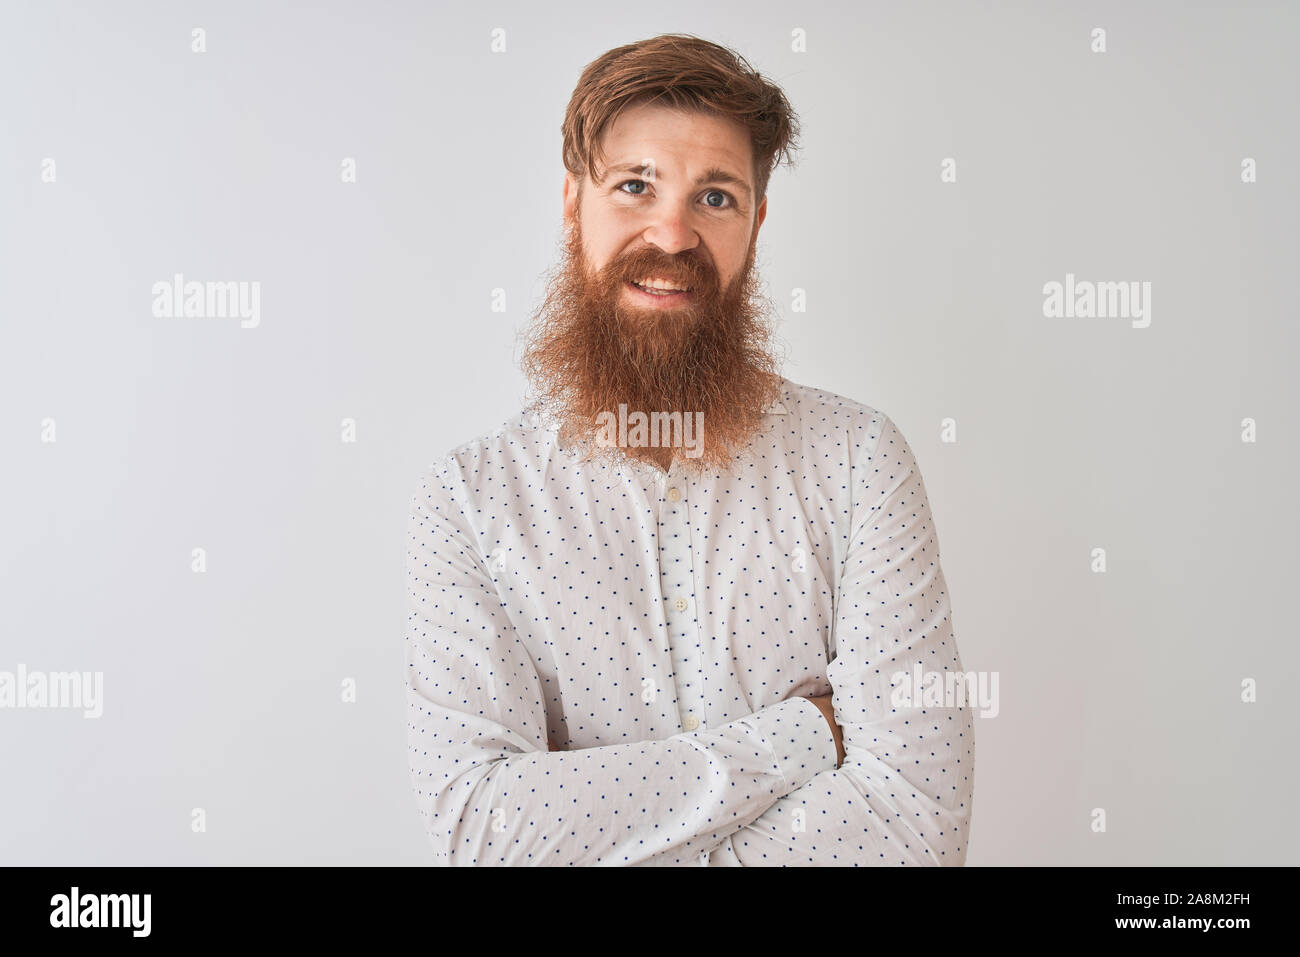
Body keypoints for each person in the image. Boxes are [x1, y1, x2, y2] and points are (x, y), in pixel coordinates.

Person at [405, 33, 974, 865]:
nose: (672, 234)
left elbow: (917, 828)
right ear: (573, 204)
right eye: (636, 186)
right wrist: (804, 734)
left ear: (756, 221)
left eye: (716, 197)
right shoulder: (470, 499)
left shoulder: (861, 463)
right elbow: (482, 828)